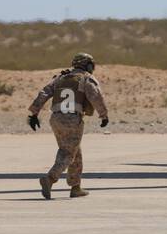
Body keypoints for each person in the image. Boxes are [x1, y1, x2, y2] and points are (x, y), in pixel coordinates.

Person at [28, 52, 109, 199]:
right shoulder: (86, 78)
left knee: (75, 151)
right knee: (68, 153)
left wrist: (34, 113)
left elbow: (44, 93)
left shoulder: (60, 78)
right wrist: (103, 115)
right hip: (72, 119)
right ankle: (50, 179)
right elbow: (96, 96)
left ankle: (75, 187)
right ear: (87, 65)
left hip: (56, 119)